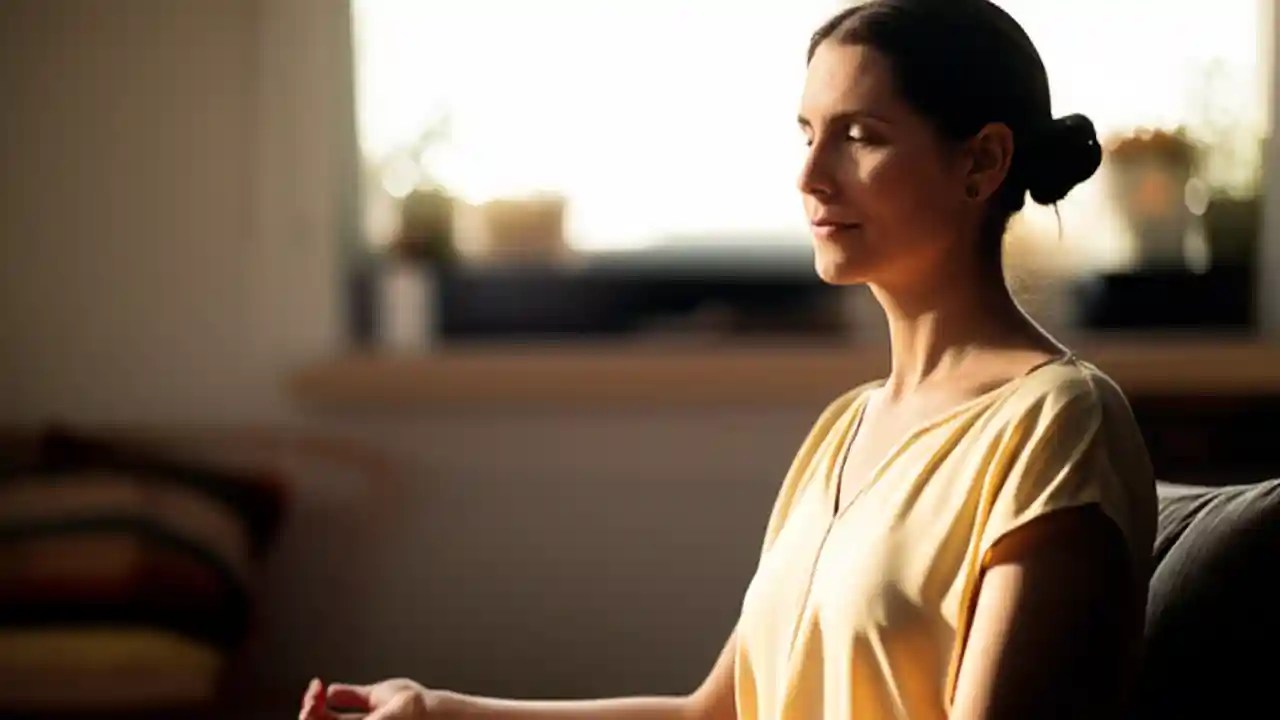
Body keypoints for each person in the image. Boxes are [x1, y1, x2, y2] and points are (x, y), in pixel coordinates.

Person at [299, 1, 1157, 718]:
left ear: (982, 162)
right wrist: (445, 711)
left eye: (859, 135)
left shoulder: (1057, 423)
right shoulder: (845, 430)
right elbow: (712, 711)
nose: (812, 175)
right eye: (807, 133)